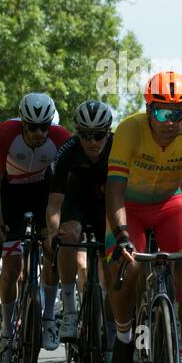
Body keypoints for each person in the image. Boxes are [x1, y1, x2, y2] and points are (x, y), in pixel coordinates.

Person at [106, 72, 182, 363]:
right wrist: (121, 233)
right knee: (128, 267)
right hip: (130, 207)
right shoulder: (129, 129)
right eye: (161, 113)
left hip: (169, 205)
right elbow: (114, 189)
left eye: (178, 113)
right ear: (148, 108)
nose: (169, 122)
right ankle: (125, 336)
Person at [0, 93, 71, 363]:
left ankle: (48, 318)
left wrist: (58, 224)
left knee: (52, 250)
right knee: (12, 267)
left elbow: (69, 183)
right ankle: (6, 333)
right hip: (11, 193)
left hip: (43, 193)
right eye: (31, 127)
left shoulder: (60, 136)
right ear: (21, 123)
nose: (38, 133)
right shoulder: (5, 132)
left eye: (43, 127)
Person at [45, 100, 115, 346]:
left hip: (106, 206)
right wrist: (53, 230)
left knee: (111, 255)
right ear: (77, 133)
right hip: (75, 204)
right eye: (86, 135)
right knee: (68, 236)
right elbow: (54, 203)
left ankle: (111, 323)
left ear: (108, 131)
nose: (93, 142)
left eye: (99, 135)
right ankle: (70, 311)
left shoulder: (118, 148)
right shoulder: (67, 151)